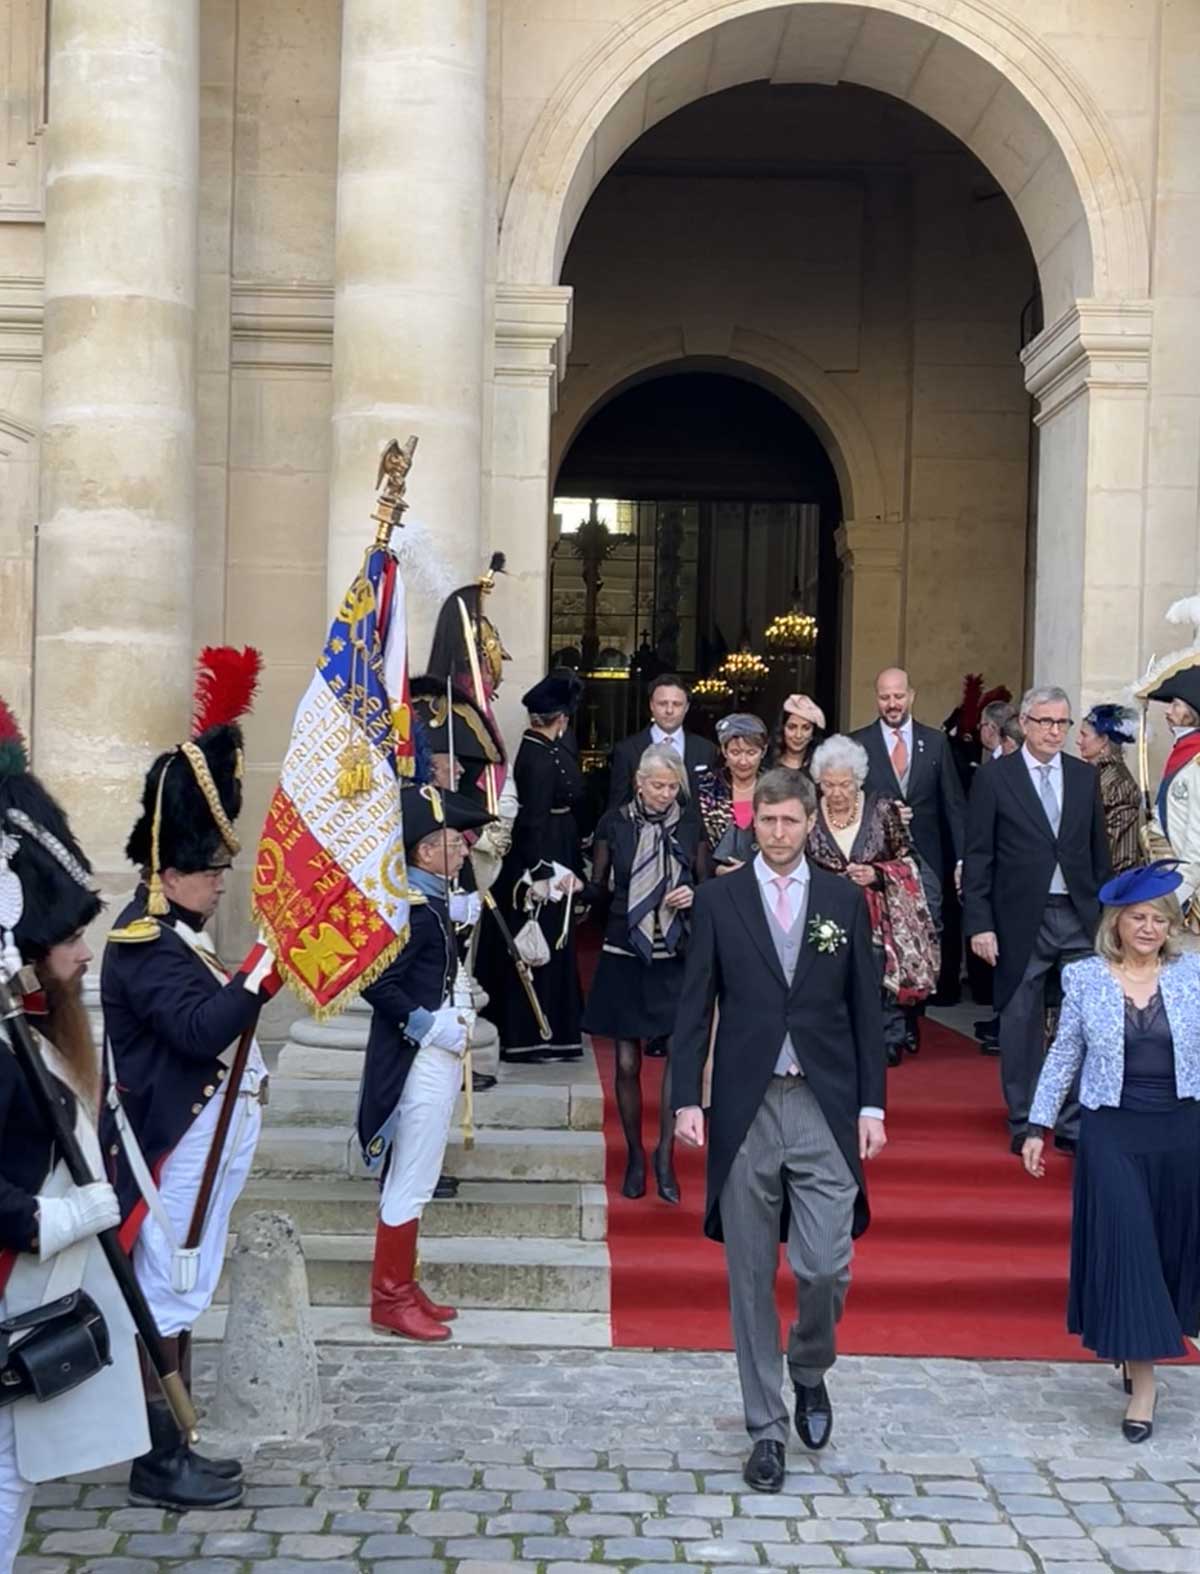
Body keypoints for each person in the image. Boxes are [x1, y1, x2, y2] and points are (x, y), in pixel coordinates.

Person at [672, 769, 886, 1492]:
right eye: (769, 822)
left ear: (810, 821)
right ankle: (765, 1430)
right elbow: (694, 1007)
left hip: (823, 1103)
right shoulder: (718, 900)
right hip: (747, 1103)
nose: (780, 833)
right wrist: (685, 1100)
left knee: (827, 1266)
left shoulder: (843, 901)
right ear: (753, 823)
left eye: (793, 821)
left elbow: (865, 1012)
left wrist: (872, 1107)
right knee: (750, 1276)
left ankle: (810, 1366)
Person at [101, 648, 280, 1510]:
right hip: (167, 1148)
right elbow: (202, 1028)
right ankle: (160, 1450)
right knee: (164, 1296)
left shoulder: (175, 937)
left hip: (195, 1145)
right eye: (208, 871)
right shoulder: (143, 946)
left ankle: (180, 1431)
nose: (220, 881)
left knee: (180, 1293)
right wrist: (260, 973)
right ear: (166, 873)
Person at [0, 700, 149, 1570]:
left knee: (19, 1470)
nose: (84, 953)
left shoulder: (32, 1024)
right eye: (68, 940)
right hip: (16, 1269)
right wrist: (51, 1220)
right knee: (10, 1470)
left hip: (30, 1290)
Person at [1023, 862, 1200, 1444]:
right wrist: (1036, 1125)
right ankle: (1145, 1387)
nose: (1148, 928)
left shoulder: (1193, 975)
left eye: (1158, 919)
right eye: (1137, 918)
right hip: (1111, 1133)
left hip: (1180, 1130)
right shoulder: (1086, 979)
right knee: (1131, 1252)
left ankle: (1133, 1350)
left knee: (1170, 1251)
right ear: (1116, 924)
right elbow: (1064, 1055)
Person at [358, 783, 495, 1342]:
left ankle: (404, 1285)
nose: (464, 851)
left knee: (420, 1173)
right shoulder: (412, 910)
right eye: (452, 845)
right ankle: (389, 1297)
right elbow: (378, 983)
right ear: (423, 853)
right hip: (417, 1055)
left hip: (435, 1051)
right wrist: (428, 1023)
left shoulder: (430, 903)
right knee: (410, 1177)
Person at [963, 685, 1111, 1154]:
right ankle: (1026, 1118)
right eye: (1045, 721)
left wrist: (1108, 918)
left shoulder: (1084, 777)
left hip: (1078, 914)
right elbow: (979, 856)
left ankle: (1072, 1120)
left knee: (1083, 1019)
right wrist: (979, 924)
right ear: (1024, 724)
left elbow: (1098, 855)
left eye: (1062, 723)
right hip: (1018, 918)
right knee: (1021, 1019)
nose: (1054, 731)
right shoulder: (995, 779)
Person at [581, 744, 702, 1204]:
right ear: (639, 783)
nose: (665, 794)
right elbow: (599, 885)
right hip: (624, 949)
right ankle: (634, 1154)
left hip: (674, 953)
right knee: (628, 1062)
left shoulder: (689, 824)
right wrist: (570, 888)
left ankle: (665, 1156)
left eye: (673, 787)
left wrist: (692, 892)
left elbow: (705, 883)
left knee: (676, 1055)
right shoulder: (614, 823)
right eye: (658, 786)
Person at [806, 736, 939, 1068]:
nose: (836, 793)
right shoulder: (808, 813)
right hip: (825, 910)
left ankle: (888, 1038)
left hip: (878, 913)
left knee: (878, 969)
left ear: (858, 780)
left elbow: (909, 860)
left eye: (845, 785)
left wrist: (876, 873)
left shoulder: (883, 809)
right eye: (829, 785)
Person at [852, 668, 965, 1049]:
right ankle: (890, 1025)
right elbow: (849, 803)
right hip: (880, 859)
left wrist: (962, 858)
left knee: (922, 935)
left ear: (911, 696)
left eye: (898, 696)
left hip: (927, 858)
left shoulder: (935, 743)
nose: (892, 704)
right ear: (876, 698)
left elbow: (953, 803)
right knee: (885, 938)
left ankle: (913, 1016)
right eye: (885, 696)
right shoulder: (860, 743)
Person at [475, 674, 585, 1063]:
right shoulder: (537, 757)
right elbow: (533, 821)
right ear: (562, 719)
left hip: (561, 845)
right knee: (541, 946)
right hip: (545, 858)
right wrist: (542, 873)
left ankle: (555, 1033)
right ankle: (531, 1036)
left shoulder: (547, 748)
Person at [608, 674, 717, 810]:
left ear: (687, 707)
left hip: (692, 829)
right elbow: (618, 808)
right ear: (651, 705)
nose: (669, 710)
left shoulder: (706, 749)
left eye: (676, 704)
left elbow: (711, 804)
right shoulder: (626, 750)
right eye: (662, 703)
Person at [696, 713, 769, 872]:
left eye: (751, 753)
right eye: (735, 753)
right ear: (724, 750)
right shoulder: (706, 788)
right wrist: (717, 869)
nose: (743, 762)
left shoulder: (774, 788)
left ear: (763, 752)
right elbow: (697, 845)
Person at [1078, 704, 1142, 876]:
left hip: (1106, 887)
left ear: (1103, 740)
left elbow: (1122, 854)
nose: (1078, 741)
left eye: (1084, 735)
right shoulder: (1094, 774)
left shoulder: (1119, 784)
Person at [767, 695, 825, 776]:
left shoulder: (823, 769)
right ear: (782, 729)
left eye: (806, 728)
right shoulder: (766, 767)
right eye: (792, 727)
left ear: (813, 732)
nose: (798, 735)